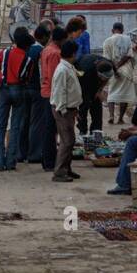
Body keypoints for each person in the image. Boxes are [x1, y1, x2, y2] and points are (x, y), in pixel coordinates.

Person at [0, 27, 33, 171]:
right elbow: (26, 78)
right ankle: (10, 161)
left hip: (5, 88)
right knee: (15, 126)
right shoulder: (28, 59)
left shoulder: (5, 52)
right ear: (26, 45)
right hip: (19, 89)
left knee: (0, 125)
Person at [50, 40, 83, 182]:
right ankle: (59, 171)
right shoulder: (62, 70)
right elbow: (59, 92)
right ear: (73, 54)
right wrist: (63, 109)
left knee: (70, 140)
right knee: (66, 141)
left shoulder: (68, 67)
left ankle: (66, 168)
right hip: (63, 110)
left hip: (70, 109)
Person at [34, 26, 65, 172]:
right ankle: (49, 160)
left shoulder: (47, 49)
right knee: (51, 128)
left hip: (46, 91)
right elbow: (55, 77)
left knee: (49, 128)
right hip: (52, 93)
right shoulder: (54, 53)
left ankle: (48, 159)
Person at [101, 22, 137, 127]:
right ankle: (120, 119)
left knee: (111, 93)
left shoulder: (107, 41)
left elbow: (107, 59)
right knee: (124, 95)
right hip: (126, 70)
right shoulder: (127, 39)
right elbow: (129, 56)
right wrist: (119, 66)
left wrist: (114, 69)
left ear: (112, 30)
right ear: (122, 30)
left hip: (112, 70)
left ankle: (111, 116)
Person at [23, 24, 50, 164]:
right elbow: (43, 73)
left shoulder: (27, 49)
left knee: (25, 120)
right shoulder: (41, 51)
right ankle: (34, 154)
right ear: (44, 37)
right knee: (37, 122)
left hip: (25, 88)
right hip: (37, 89)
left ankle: (22, 153)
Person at [74, 53, 113, 136]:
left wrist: (99, 90)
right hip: (83, 83)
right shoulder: (85, 70)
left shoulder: (109, 64)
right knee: (84, 107)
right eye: (103, 78)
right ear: (98, 74)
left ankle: (96, 131)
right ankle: (82, 131)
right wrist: (86, 98)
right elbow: (79, 85)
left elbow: (107, 78)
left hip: (94, 81)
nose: (105, 80)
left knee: (97, 107)